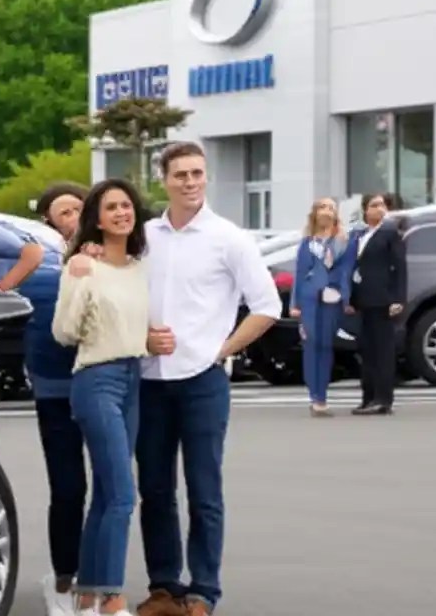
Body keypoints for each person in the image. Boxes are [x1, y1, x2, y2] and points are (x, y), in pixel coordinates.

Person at [74, 141, 281, 616]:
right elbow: (112, 275)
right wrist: (89, 253)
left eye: (197, 173)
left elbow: (268, 305)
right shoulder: (146, 236)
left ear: (206, 177)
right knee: (156, 491)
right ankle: (164, 586)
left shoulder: (228, 238)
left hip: (202, 380)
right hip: (146, 380)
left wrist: (221, 350)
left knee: (205, 490)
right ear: (163, 179)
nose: (190, 182)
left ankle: (203, 590)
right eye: (180, 174)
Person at [51, 178, 151, 616]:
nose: (121, 213)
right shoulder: (83, 267)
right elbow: (63, 331)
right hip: (97, 379)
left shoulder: (139, 267)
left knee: (109, 495)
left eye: (126, 205)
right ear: (97, 217)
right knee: (124, 496)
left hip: (134, 378)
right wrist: (76, 278)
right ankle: (112, 597)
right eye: (111, 207)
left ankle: (87, 593)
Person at [24, 183, 90, 612]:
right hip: (54, 388)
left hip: (109, 382)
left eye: (79, 208)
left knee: (114, 489)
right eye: (63, 211)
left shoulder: (118, 257)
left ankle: (100, 579)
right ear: (49, 221)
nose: (72, 216)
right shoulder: (37, 265)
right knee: (68, 487)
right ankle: (65, 576)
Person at [290, 197, 356, 417]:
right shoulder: (307, 243)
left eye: (331, 208)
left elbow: (347, 271)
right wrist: (295, 304)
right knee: (311, 345)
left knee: (325, 346)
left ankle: (323, 396)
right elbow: (299, 275)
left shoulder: (344, 241)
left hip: (332, 300)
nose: (326, 211)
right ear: (315, 213)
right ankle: (314, 396)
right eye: (322, 207)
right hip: (309, 300)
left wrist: (345, 299)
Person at [349, 191, 406, 416]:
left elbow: (400, 268)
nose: (380, 209)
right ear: (365, 210)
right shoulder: (362, 234)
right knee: (368, 351)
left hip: (383, 300)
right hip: (365, 301)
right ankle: (368, 397)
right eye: (374, 205)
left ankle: (383, 399)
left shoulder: (390, 234)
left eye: (382, 205)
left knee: (383, 352)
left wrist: (398, 298)